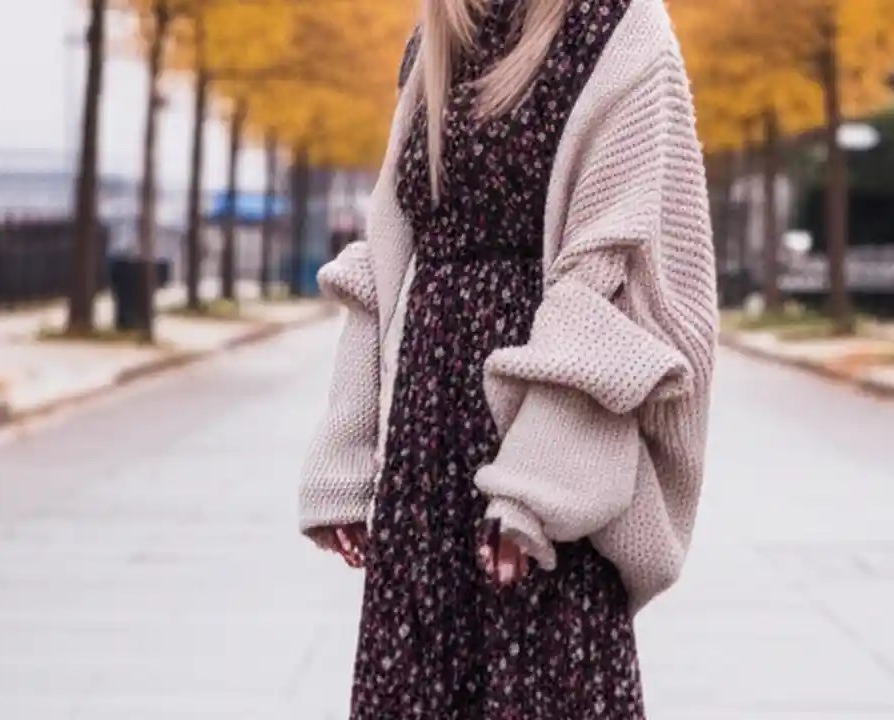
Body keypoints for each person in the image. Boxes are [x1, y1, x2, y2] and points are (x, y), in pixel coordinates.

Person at [298, 0, 717, 715]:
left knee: (546, 685)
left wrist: (536, 489)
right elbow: (389, 260)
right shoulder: (440, 37)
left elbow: (609, 280)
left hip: (549, 438)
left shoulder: (619, 28)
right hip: (426, 455)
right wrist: (346, 456)